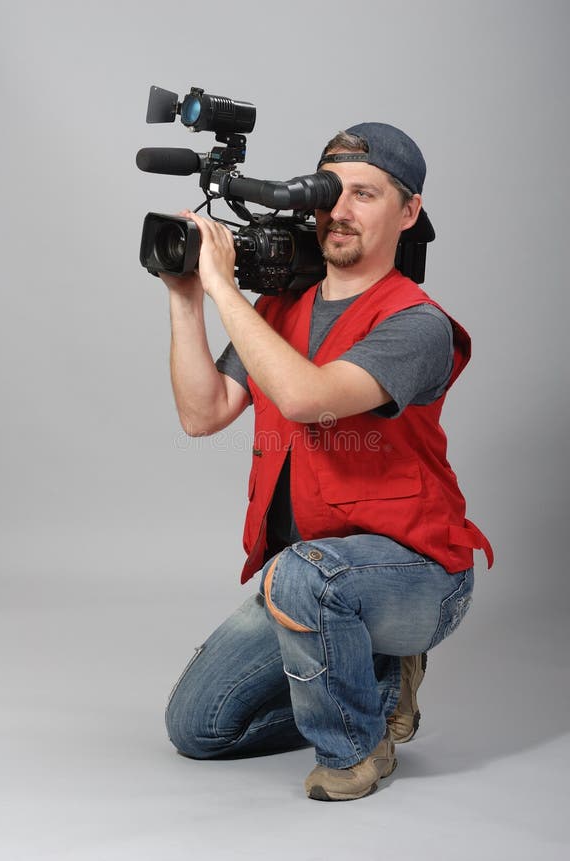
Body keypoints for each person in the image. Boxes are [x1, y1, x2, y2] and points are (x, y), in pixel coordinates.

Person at [162, 122, 493, 802]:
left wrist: (226, 291)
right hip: (308, 572)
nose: (338, 210)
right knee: (198, 725)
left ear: (408, 212)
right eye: (329, 192)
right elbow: (203, 412)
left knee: (304, 576)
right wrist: (188, 297)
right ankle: (370, 682)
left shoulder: (416, 323)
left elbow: (308, 396)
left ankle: (355, 750)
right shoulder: (281, 308)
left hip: (418, 574)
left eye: (364, 195)